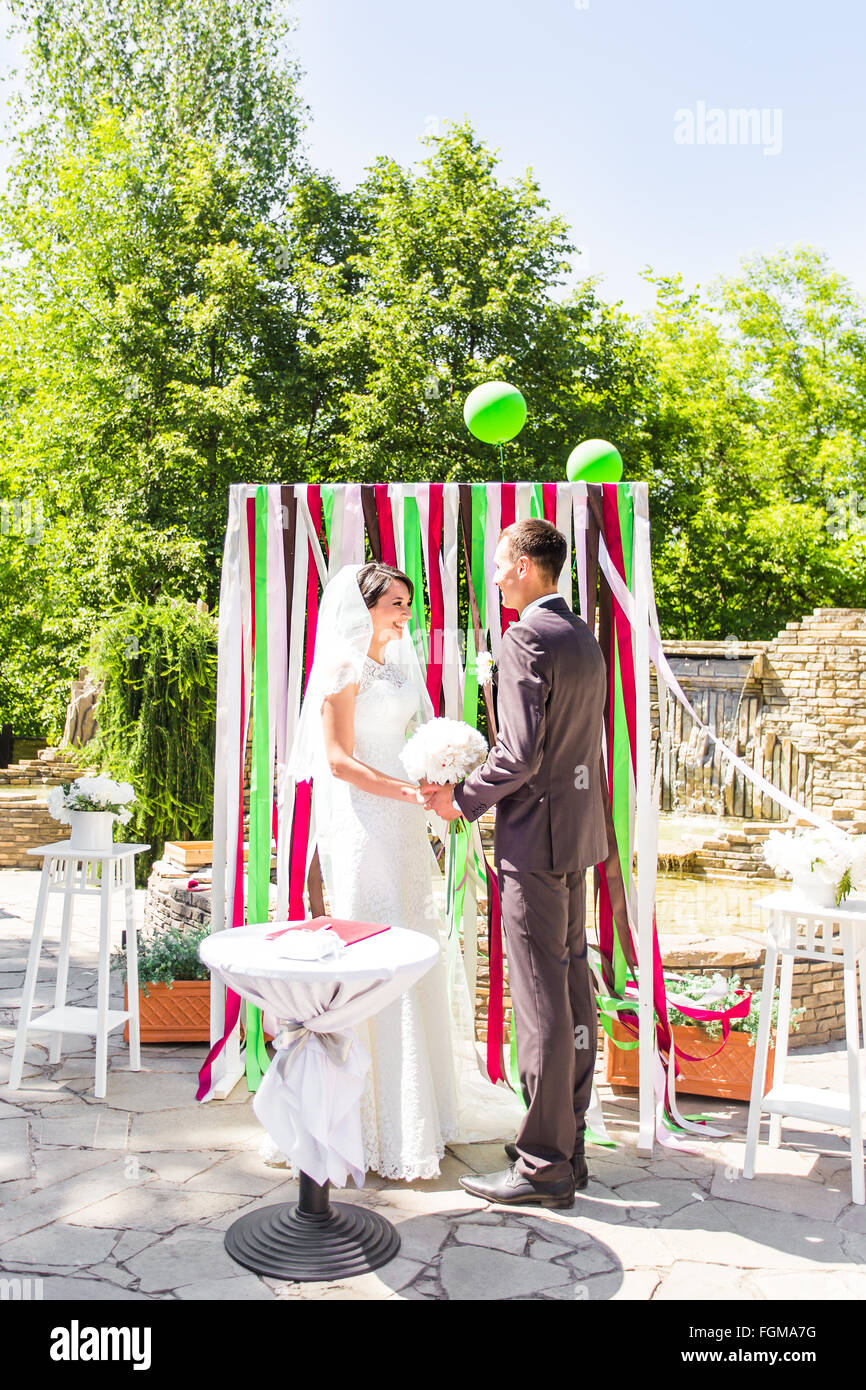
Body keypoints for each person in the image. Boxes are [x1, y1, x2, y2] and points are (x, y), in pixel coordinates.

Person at [283, 560, 522, 1182]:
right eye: (394, 603)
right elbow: (336, 761)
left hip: (405, 824)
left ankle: (419, 1111)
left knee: (415, 947)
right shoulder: (341, 667)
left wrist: (442, 764)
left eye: (408, 604)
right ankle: (361, 1120)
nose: (405, 613)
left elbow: (415, 732)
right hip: (362, 822)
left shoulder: (399, 665)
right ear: (363, 607)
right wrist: (408, 793)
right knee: (372, 953)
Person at [423, 518, 608, 1208]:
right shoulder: (580, 633)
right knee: (570, 991)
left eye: (502, 564)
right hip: (578, 836)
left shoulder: (528, 635)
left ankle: (542, 1165)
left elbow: (521, 753)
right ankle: (568, 1143)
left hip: (536, 840)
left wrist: (461, 800)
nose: (495, 575)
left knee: (540, 1003)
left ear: (527, 565)